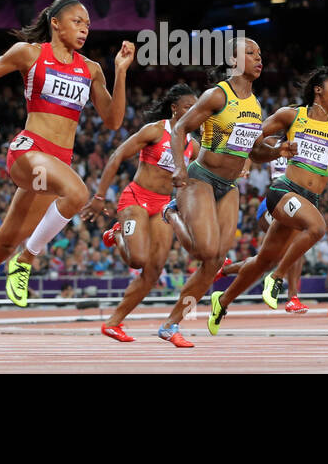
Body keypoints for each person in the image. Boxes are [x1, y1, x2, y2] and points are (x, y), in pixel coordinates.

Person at [0, 0, 133, 354]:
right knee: (79, 194)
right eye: (77, 21)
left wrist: (122, 70)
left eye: (88, 24)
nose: (84, 28)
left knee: (2, 245)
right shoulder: (30, 53)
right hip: (28, 150)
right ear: (55, 23)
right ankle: (27, 259)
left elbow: (113, 121)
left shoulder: (91, 68)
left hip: (54, 168)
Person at [208, 67, 328, 335]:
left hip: (309, 198)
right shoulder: (292, 115)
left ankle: (222, 301)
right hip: (284, 190)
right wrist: (273, 151)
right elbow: (254, 137)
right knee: (317, 228)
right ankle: (277, 279)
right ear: (318, 89)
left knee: (262, 260)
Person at [155, 37, 263, 348]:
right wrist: (179, 166)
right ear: (233, 60)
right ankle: (172, 213)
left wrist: (277, 149)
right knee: (203, 252)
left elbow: (255, 151)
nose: (259, 59)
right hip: (201, 177)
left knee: (214, 261)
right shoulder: (218, 95)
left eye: (260, 54)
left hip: (229, 186)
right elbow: (179, 130)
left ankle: (170, 324)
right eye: (251, 53)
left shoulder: (255, 106)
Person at [82, 84, 199, 341]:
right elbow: (117, 156)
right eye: (188, 106)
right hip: (136, 198)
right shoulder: (155, 131)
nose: (193, 111)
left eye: (196, 107)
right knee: (136, 260)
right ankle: (117, 233)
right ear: (174, 109)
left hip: (162, 206)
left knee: (154, 271)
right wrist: (100, 196)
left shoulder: (194, 146)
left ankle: (113, 322)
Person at [219, 154, 306, 312]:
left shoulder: (306, 143)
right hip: (273, 205)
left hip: (294, 206)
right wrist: (245, 167)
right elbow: (252, 147)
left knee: (266, 262)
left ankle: (224, 270)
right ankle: (292, 298)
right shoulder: (278, 141)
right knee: (296, 244)